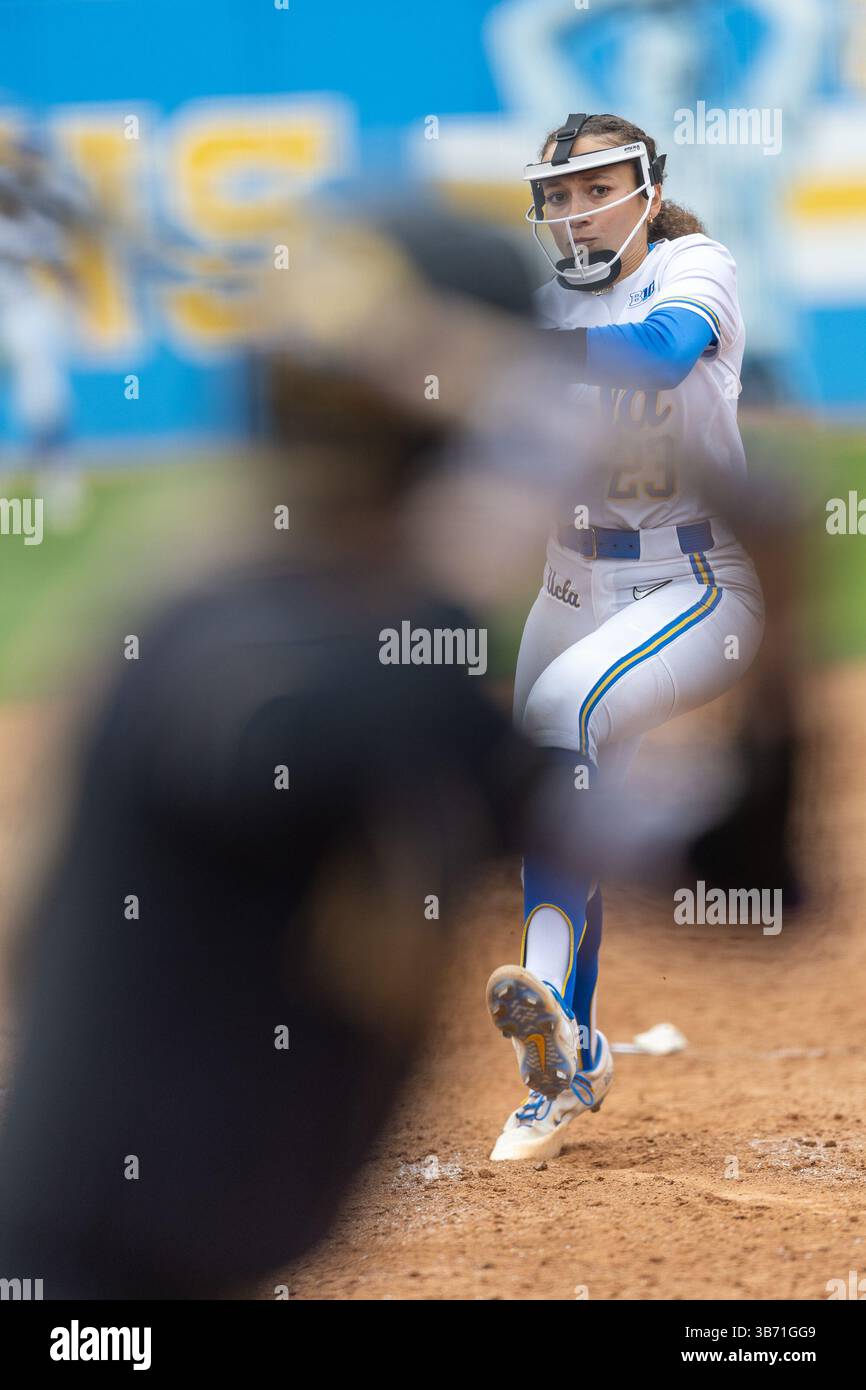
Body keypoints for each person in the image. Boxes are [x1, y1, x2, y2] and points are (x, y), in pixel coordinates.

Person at [486, 112, 766, 1162]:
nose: (575, 210)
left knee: (568, 713)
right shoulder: (531, 307)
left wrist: (498, 343)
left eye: (596, 186)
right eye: (556, 195)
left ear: (647, 188)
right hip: (567, 585)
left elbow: (655, 358)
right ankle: (570, 1058)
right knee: (550, 802)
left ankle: (544, 1015)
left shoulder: (695, 264)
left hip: (691, 583)